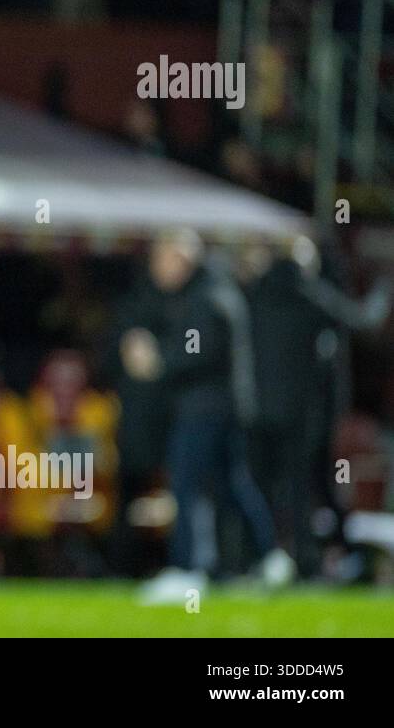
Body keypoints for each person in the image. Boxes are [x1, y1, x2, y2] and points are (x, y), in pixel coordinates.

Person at [122, 229, 293, 603]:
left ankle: (188, 569)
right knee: (233, 484)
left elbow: (198, 351)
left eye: (161, 259)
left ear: (180, 258)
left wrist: (157, 360)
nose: (156, 269)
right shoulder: (215, 290)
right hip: (225, 407)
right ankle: (270, 557)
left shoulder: (205, 296)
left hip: (206, 409)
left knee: (186, 485)